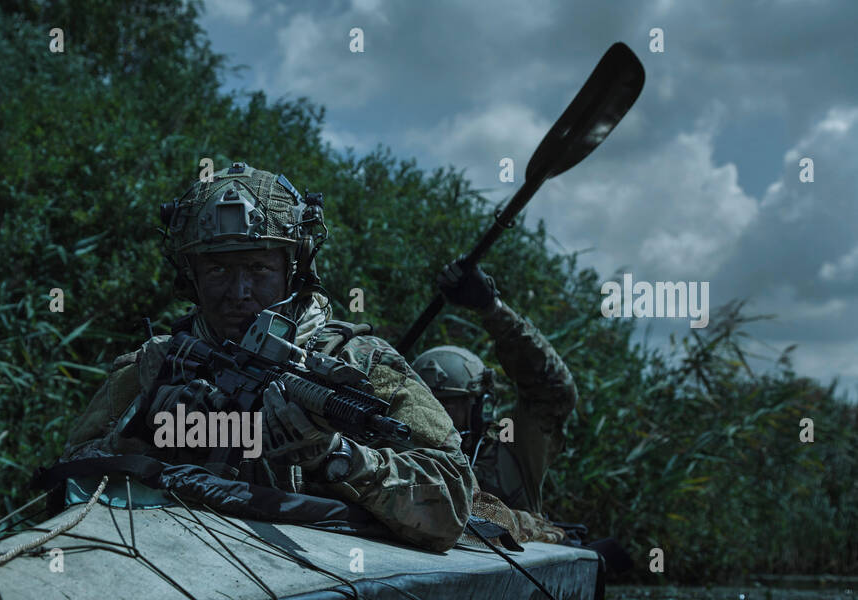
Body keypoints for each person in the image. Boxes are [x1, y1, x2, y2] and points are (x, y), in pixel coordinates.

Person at [57, 161, 475, 552]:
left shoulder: (360, 364)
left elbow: (452, 504)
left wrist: (336, 457)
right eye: (219, 270)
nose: (239, 292)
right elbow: (64, 486)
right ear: (192, 276)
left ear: (294, 268)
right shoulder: (151, 368)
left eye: (258, 269)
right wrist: (138, 437)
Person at [413, 260, 578, 538]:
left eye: (449, 404)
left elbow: (555, 390)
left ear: (481, 407)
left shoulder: (510, 447)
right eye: (427, 403)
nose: (436, 415)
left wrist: (491, 309)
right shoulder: (402, 447)